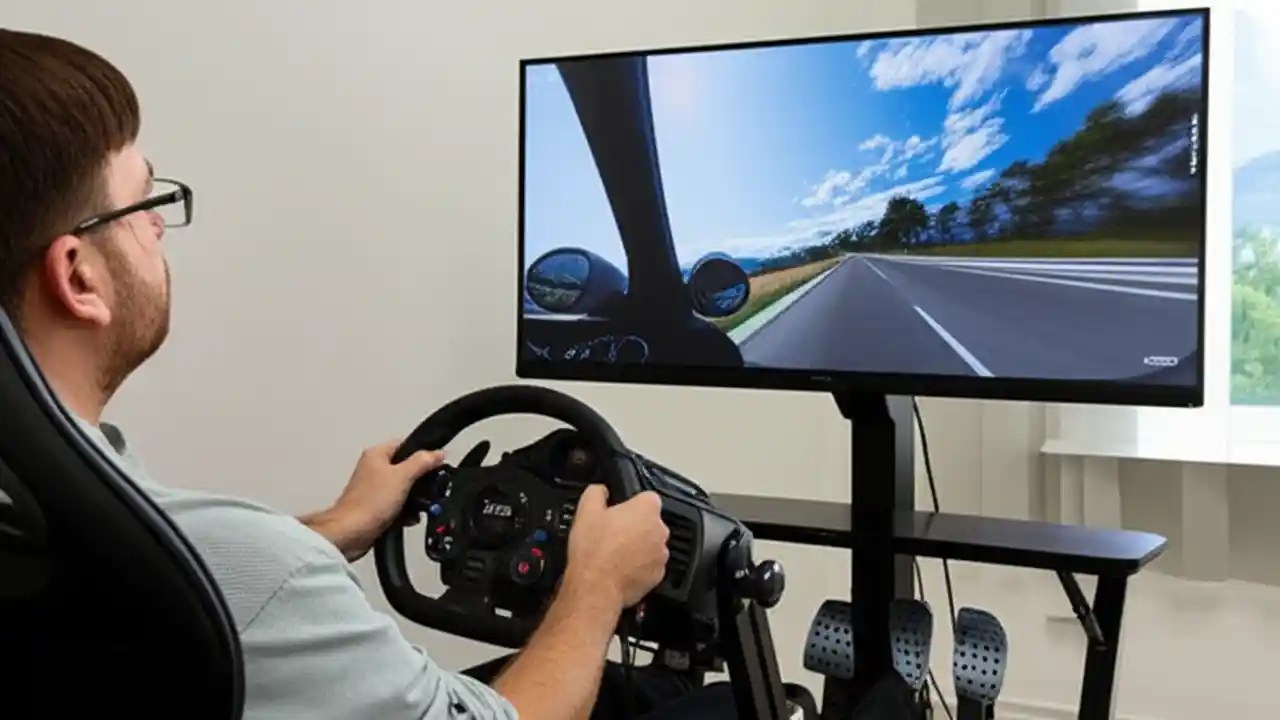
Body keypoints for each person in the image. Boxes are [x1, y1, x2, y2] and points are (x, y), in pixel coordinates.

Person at [0, 28, 736, 720]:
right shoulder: (257, 569)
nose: (160, 226)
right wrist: (597, 587)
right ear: (79, 276)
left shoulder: (48, 522)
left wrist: (337, 527)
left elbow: (170, 577)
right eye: (146, 201)